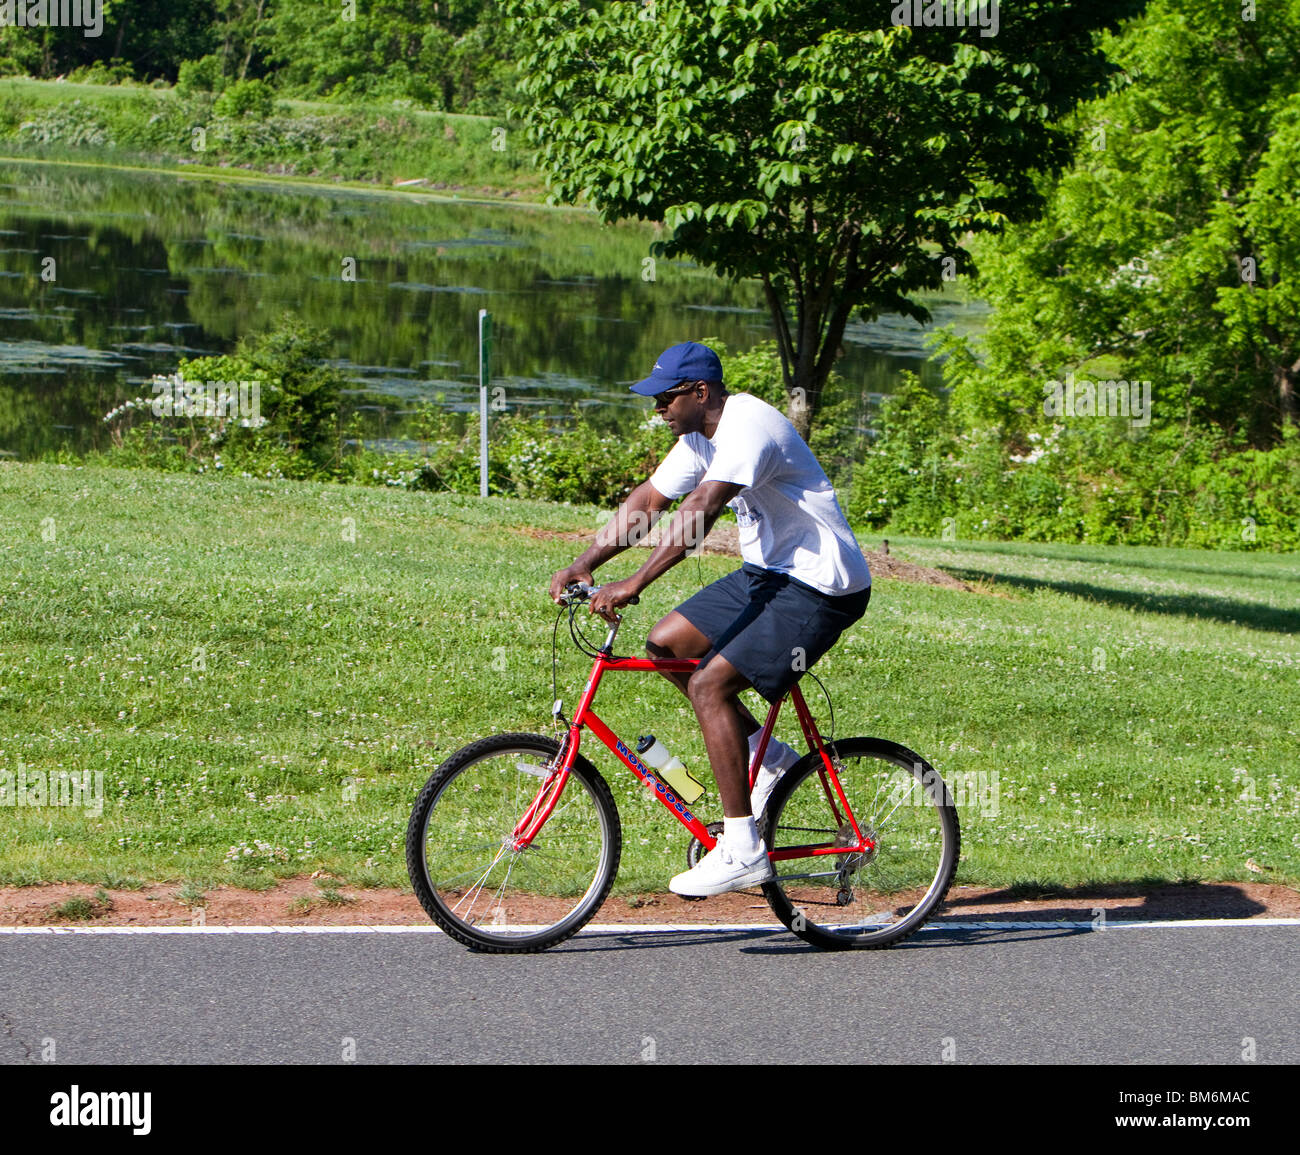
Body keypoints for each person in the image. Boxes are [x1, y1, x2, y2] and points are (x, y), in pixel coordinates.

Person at [549, 341, 871, 896]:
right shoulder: (698, 436)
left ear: (701, 393)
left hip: (822, 585)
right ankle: (770, 763)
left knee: (709, 685)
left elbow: (700, 511)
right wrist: (584, 564)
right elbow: (649, 503)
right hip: (768, 573)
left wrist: (634, 583)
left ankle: (743, 849)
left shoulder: (749, 427)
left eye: (666, 398)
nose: (658, 410)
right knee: (667, 645)